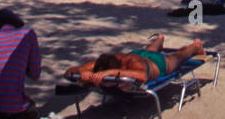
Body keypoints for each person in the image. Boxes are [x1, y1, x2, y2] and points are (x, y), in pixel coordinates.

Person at [65, 34, 206, 86]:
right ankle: (159, 40)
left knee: (178, 56)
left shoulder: (133, 64)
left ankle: (195, 46)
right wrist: (80, 73)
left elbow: (143, 76)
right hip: (140, 54)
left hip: (158, 63)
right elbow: (68, 73)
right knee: (147, 51)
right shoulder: (102, 63)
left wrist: (109, 74)